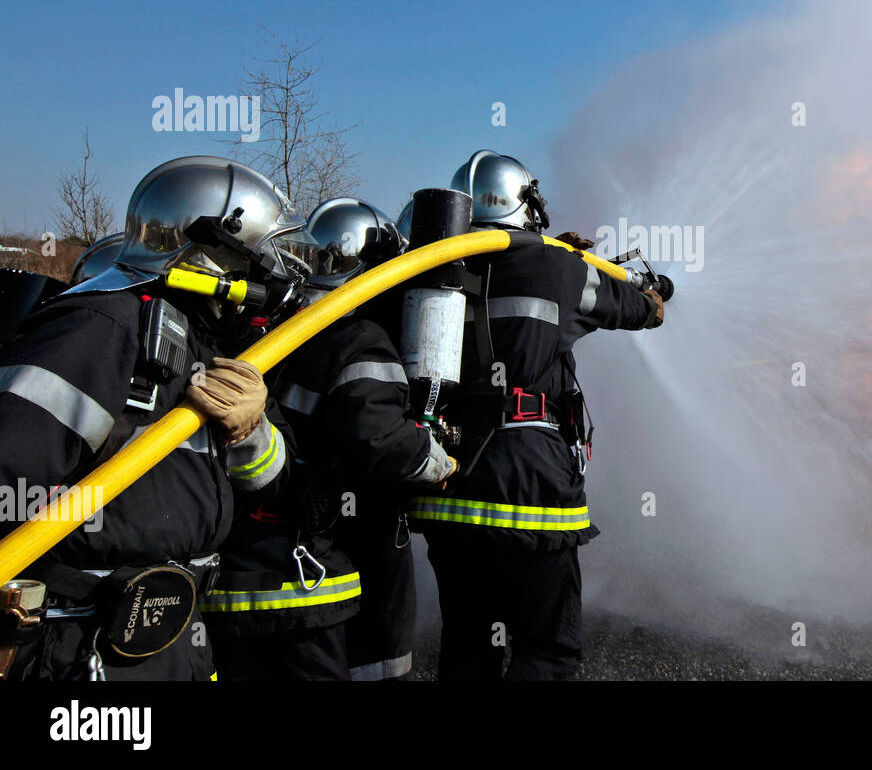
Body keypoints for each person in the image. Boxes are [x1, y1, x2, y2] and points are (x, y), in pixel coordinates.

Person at [0, 156, 305, 681]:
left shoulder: (213, 349)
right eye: (260, 258)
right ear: (212, 252)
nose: (272, 277)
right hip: (81, 646)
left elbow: (282, 485)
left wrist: (252, 432)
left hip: (172, 639)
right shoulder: (100, 329)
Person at [409, 149, 665, 680]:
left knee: (467, 646)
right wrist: (654, 293)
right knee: (547, 650)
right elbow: (637, 310)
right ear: (527, 201)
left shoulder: (428, 266)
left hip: (447, 479)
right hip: (530, 485)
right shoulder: (557, 266)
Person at [202, 197, 457, 680]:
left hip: (232, 564)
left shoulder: (279, 323)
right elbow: (379, 438)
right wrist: (438, 461)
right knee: (372, 662)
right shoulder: (358, 337)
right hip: (303, 576)